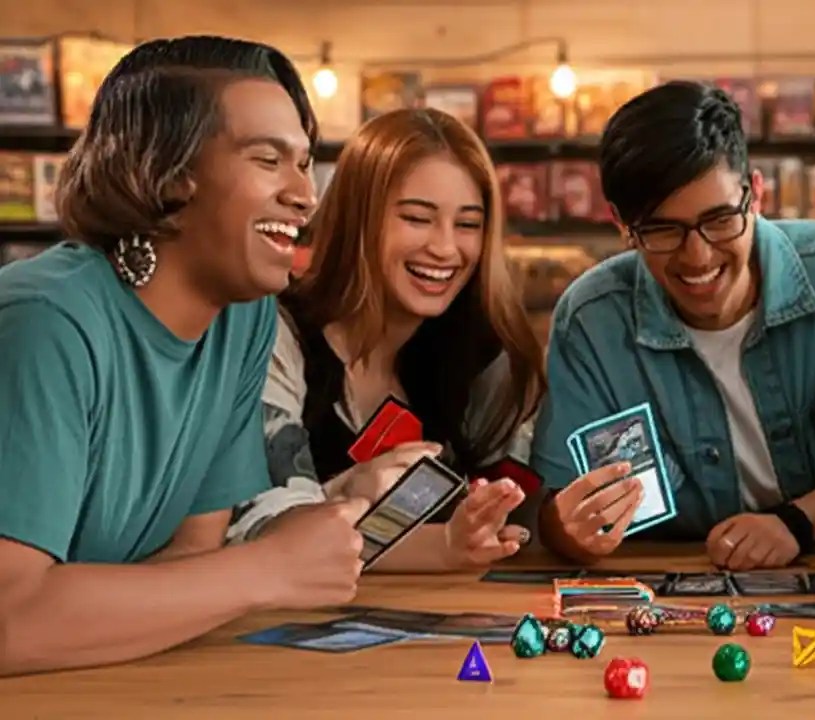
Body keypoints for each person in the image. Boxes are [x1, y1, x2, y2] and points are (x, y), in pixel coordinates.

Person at [0, 36, 368, 677]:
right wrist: (272, 567)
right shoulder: (46, 326)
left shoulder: (244, 319)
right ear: (166, 174)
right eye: (267, 159)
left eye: (305, 163)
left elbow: (191, 555)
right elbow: (11, 620)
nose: (305, 195)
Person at [531, 80, 815, 570]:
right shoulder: (591, 321)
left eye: (719, 220)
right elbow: (555, 512)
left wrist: (797, 522)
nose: (699, 256)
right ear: (622, 225)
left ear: (755, 194)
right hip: (666, 576)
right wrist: (573, 531)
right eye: (663, 230)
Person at [225, 108, 547, 572]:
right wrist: (350, 489)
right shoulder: (276, 333)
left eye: (468, 224)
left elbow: (503, 522)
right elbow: (263, 531)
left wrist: (465, 540)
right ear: (359, 218)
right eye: (418, 218)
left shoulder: (480, 359)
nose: (445, 247)